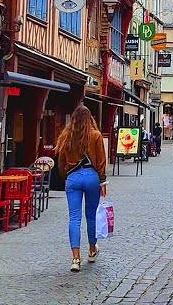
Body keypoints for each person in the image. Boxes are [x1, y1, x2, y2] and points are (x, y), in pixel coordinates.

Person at [54, 105, 108, 273]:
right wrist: (102, 181)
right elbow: (101, 161)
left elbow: (60, 162)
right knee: (91, 216)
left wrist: (67, 177)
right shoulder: (96, 135)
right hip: (91, 177)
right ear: (89, 118)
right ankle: (92, 250)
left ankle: (75, 259)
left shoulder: (66, 136)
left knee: (74, 218)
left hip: (73, 178)